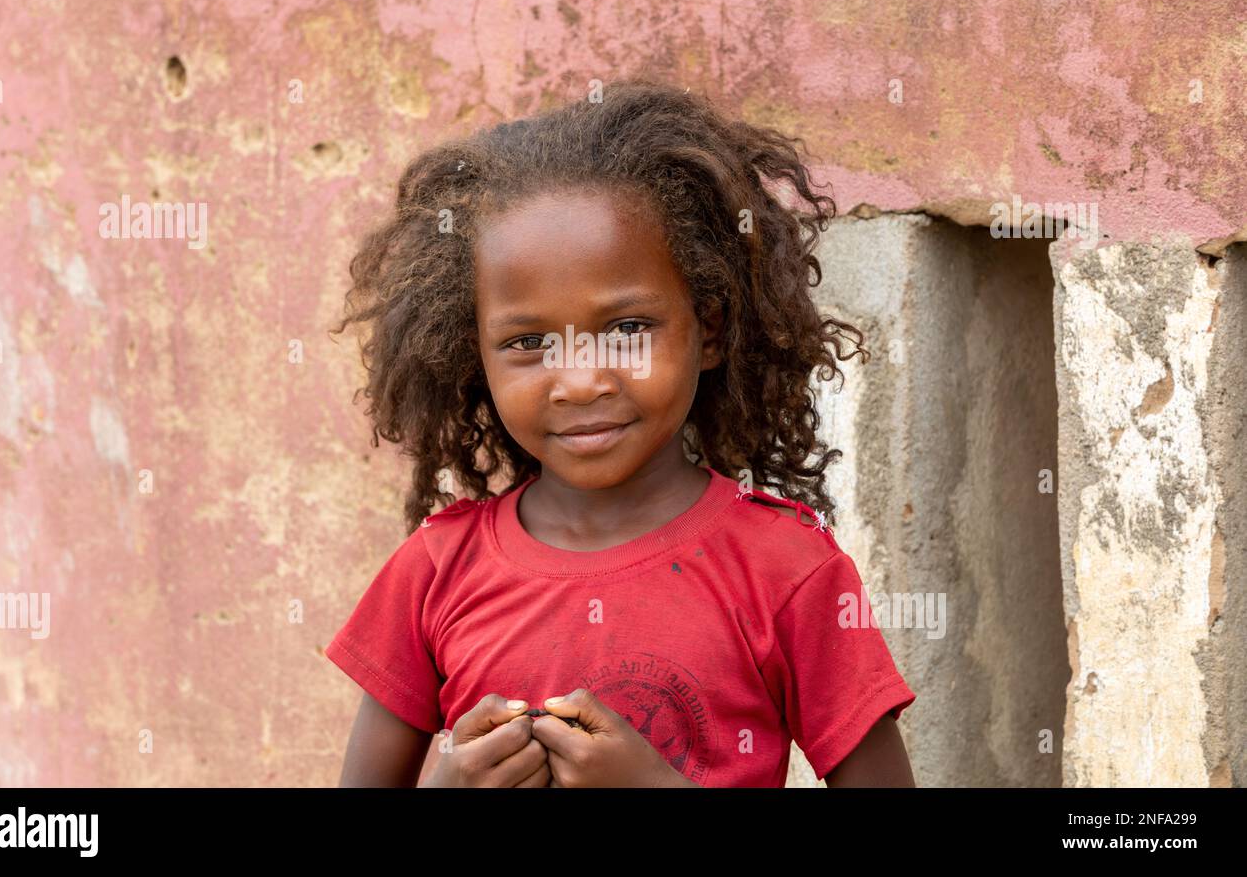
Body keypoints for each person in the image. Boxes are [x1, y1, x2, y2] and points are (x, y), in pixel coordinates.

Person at [326, 78, 916, 787]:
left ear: (712, 330)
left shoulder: (790, 574)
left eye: (629, 329)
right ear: (469, 355)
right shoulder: (431, 574)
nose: (580, 381)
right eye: (527, 342)